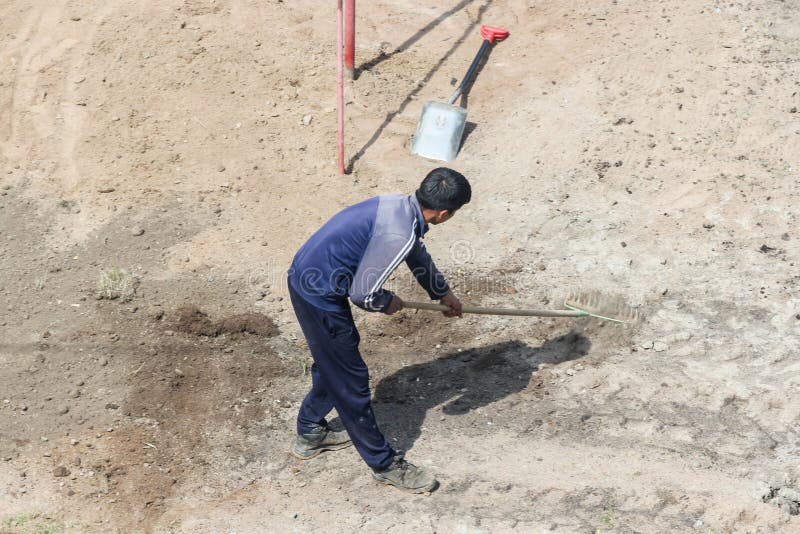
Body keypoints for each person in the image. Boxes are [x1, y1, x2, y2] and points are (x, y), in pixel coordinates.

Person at [286, 167, 470, 493]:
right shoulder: (399, 233)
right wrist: (385, 301)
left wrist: (442, 293)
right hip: (319, 292)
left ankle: (310, 432)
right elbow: (363, 294)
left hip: (308, 275)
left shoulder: (397, 205)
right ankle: (383, 463)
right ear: (443, 214)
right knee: (351, 379)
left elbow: (417, 254)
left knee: (334, 360)